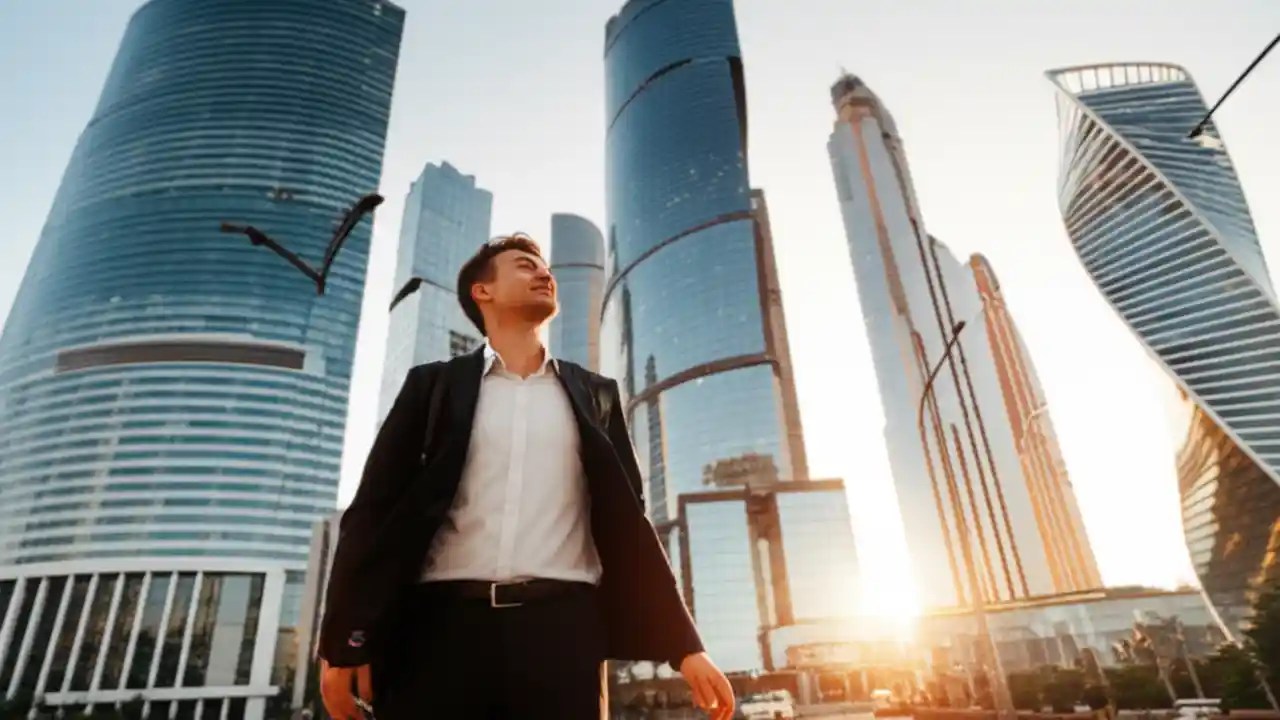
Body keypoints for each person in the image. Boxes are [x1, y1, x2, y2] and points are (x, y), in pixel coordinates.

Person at [316, 234, 734, 719]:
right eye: (524, 265)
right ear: (482, 291)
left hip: (560, 637)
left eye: (546, 268)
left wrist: (684, 645)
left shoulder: (596, 396)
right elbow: (371, 514)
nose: (544, 273)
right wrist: (343, 641)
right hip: (435, 636)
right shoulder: (432, 387)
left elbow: (628, 526)